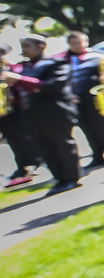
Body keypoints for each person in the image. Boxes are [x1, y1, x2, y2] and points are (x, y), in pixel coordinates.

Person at [1, 35, 81, 196]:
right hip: (31, 114)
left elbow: (52, 86)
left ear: (41, 46)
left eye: (27, 46)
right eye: (23, 47)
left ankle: (72, 178)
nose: (24, 50)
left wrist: (20, 79)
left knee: (62, 144)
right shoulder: (26, 67)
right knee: (45, 147)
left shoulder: (56, 63)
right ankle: (60, 179)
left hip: (55, 111)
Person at [64, 31, 104, 169]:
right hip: (76, 99)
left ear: (86, 42)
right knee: (86, 128)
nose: (78, 46)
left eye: (80, 43)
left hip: (95, 97)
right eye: (74, 44)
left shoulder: (97, 56)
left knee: (102, 126)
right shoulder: (63, 60)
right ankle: (98, 156)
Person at [0, 43, 42, 188]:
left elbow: (21, 81)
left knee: (24, 136)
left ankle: (36, 162)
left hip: (17, 106)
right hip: (3, 110)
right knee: (11, 138)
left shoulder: (14, 66)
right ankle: (22, 166)